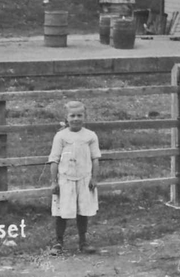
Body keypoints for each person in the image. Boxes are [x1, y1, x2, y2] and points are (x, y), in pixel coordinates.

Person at [48, 100, 101, 254]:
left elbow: (95, 158)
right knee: (62, 212)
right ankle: (58, 243)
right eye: (72, 115)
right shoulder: (61, 136)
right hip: (65, 180)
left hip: (84, 179)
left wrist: (94, 178)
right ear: (67, 117)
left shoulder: (90, 136)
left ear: (85, 117)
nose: (76, 118)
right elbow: (54, 159)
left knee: (83, 211)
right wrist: (54, 181)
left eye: (79, 115)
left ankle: (83, 242)